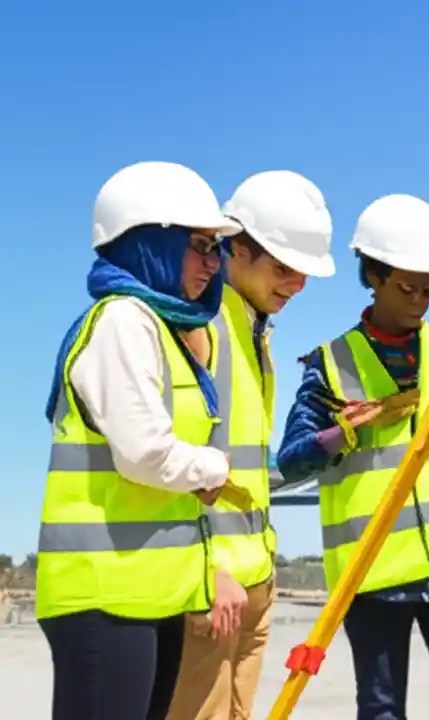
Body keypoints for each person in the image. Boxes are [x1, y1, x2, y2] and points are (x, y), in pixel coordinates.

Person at [276, 193, 429, 720]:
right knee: (380, 711)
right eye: (406, 287)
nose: (420, 300)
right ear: (372, 276)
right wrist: (342, 433)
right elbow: (291, 460)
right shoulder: (329, 363)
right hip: (371, 576)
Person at [36, 161, 242, 720]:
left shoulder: (162, 329)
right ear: (149, 243)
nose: (213, 262)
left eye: (216, 247)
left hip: (150, 596)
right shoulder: (123, 322)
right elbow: (144, 453)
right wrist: (211, 468)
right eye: (199, 244)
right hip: (104, 599)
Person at [166, 170, 336, 720]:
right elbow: (168, 458)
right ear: (235, 249)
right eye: (284, 268)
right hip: (213, 589)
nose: (297, 284)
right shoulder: (201, 323)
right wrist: (209, 571)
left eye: (305, 273)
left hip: (253, 581)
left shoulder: (253, 331)